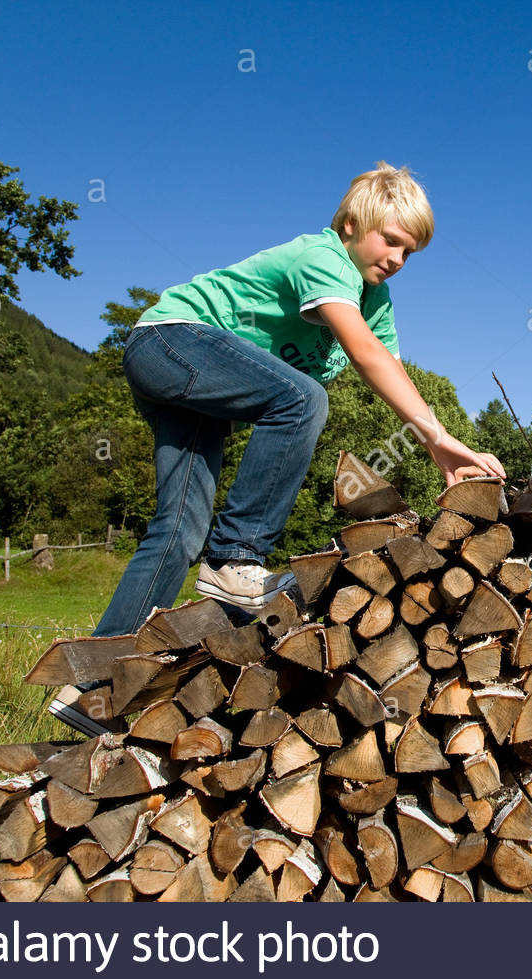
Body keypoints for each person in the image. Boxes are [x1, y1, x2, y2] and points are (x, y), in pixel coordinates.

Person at [51, 162, 505, 735]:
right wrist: (438, 436)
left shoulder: (376, 300)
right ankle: (236, 559)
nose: (395, 258)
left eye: (409, 252)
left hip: (191, 377)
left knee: (179, 529)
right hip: (169, 341)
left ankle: (91, 684)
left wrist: (435, 447)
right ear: (349, 223)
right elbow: (362, 351)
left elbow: (386, 366)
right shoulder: (323, 258)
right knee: (302, 399)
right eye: (389, 240)